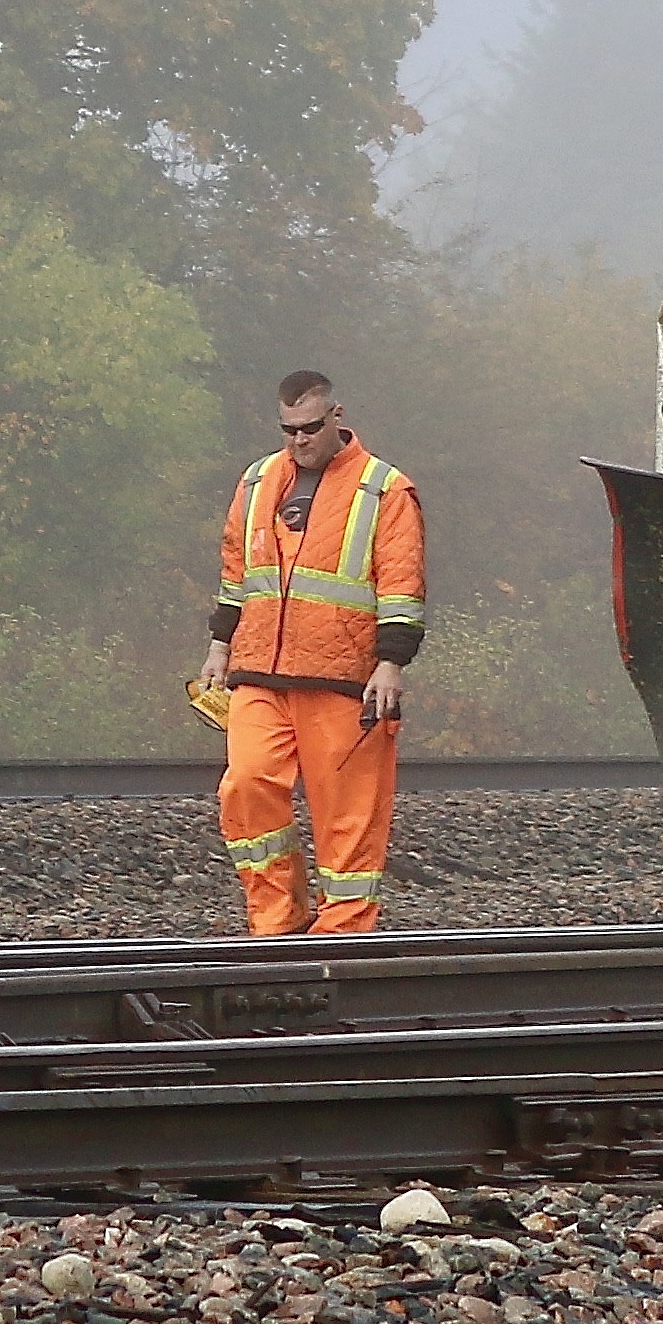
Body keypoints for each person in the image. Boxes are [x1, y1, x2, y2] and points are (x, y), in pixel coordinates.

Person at [207, 371, 425, 936]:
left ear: (337, 416)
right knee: (246, 785)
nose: (299, 440)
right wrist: (218, 646)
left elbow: (401, 583)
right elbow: (237, 572)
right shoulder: (256, 482)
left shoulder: (384, 489)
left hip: (345, 680)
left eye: (309, 427)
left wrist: (391, 662)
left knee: (348, 817)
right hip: (259, 671)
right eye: (289, 430)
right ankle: (275, 921)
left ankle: (344, 936)